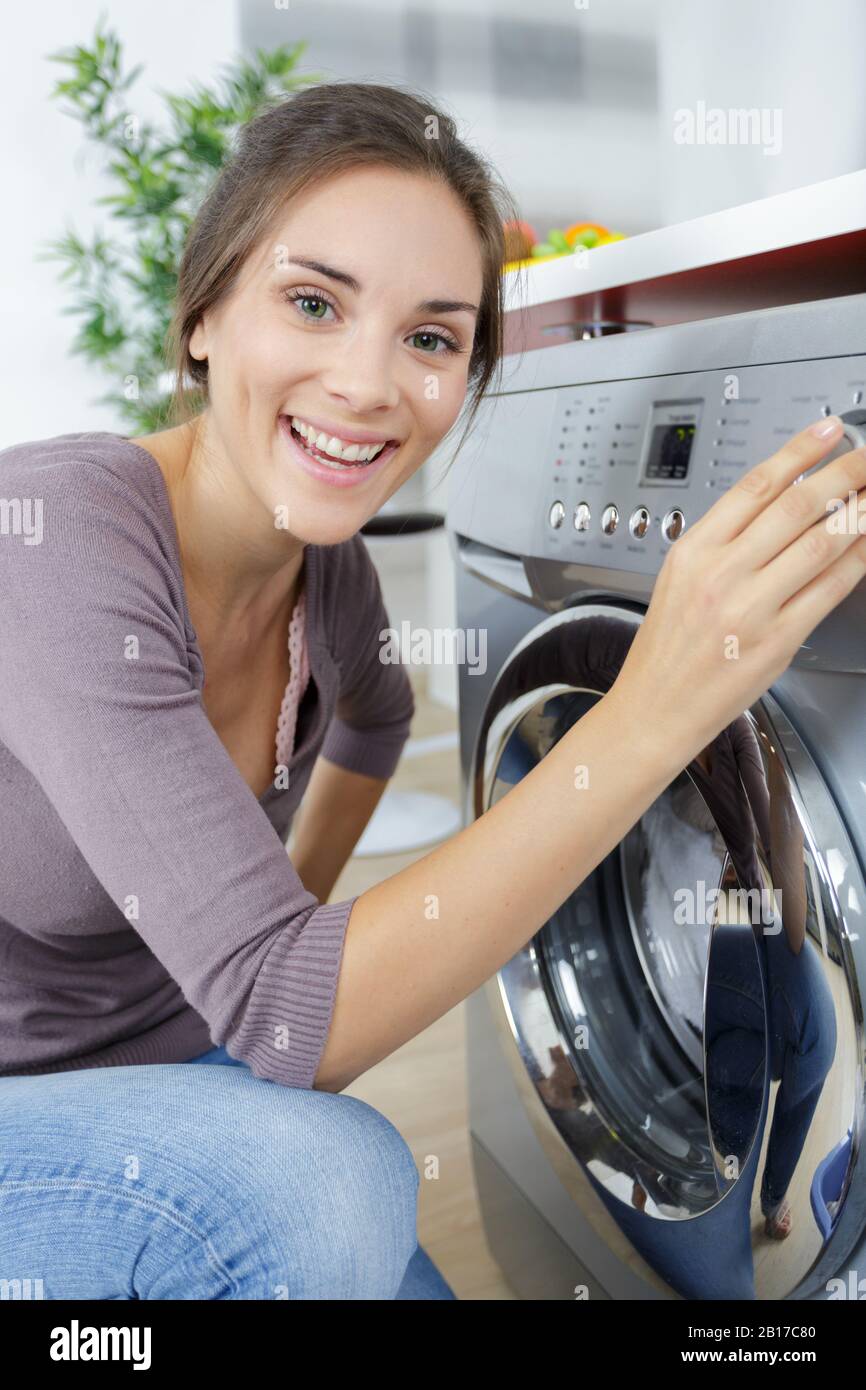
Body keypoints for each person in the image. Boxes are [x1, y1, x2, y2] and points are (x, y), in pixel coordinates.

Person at [1, 80, 864, 1302]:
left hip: (171, 1069)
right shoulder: (48, 542)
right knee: (333, 1183)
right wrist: (658, 701)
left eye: (429, 337)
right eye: (312, 303)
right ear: (201, 316)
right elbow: (299, 1023)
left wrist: (273, 936)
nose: (367, 385)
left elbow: (378, 717)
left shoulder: (326, 576)